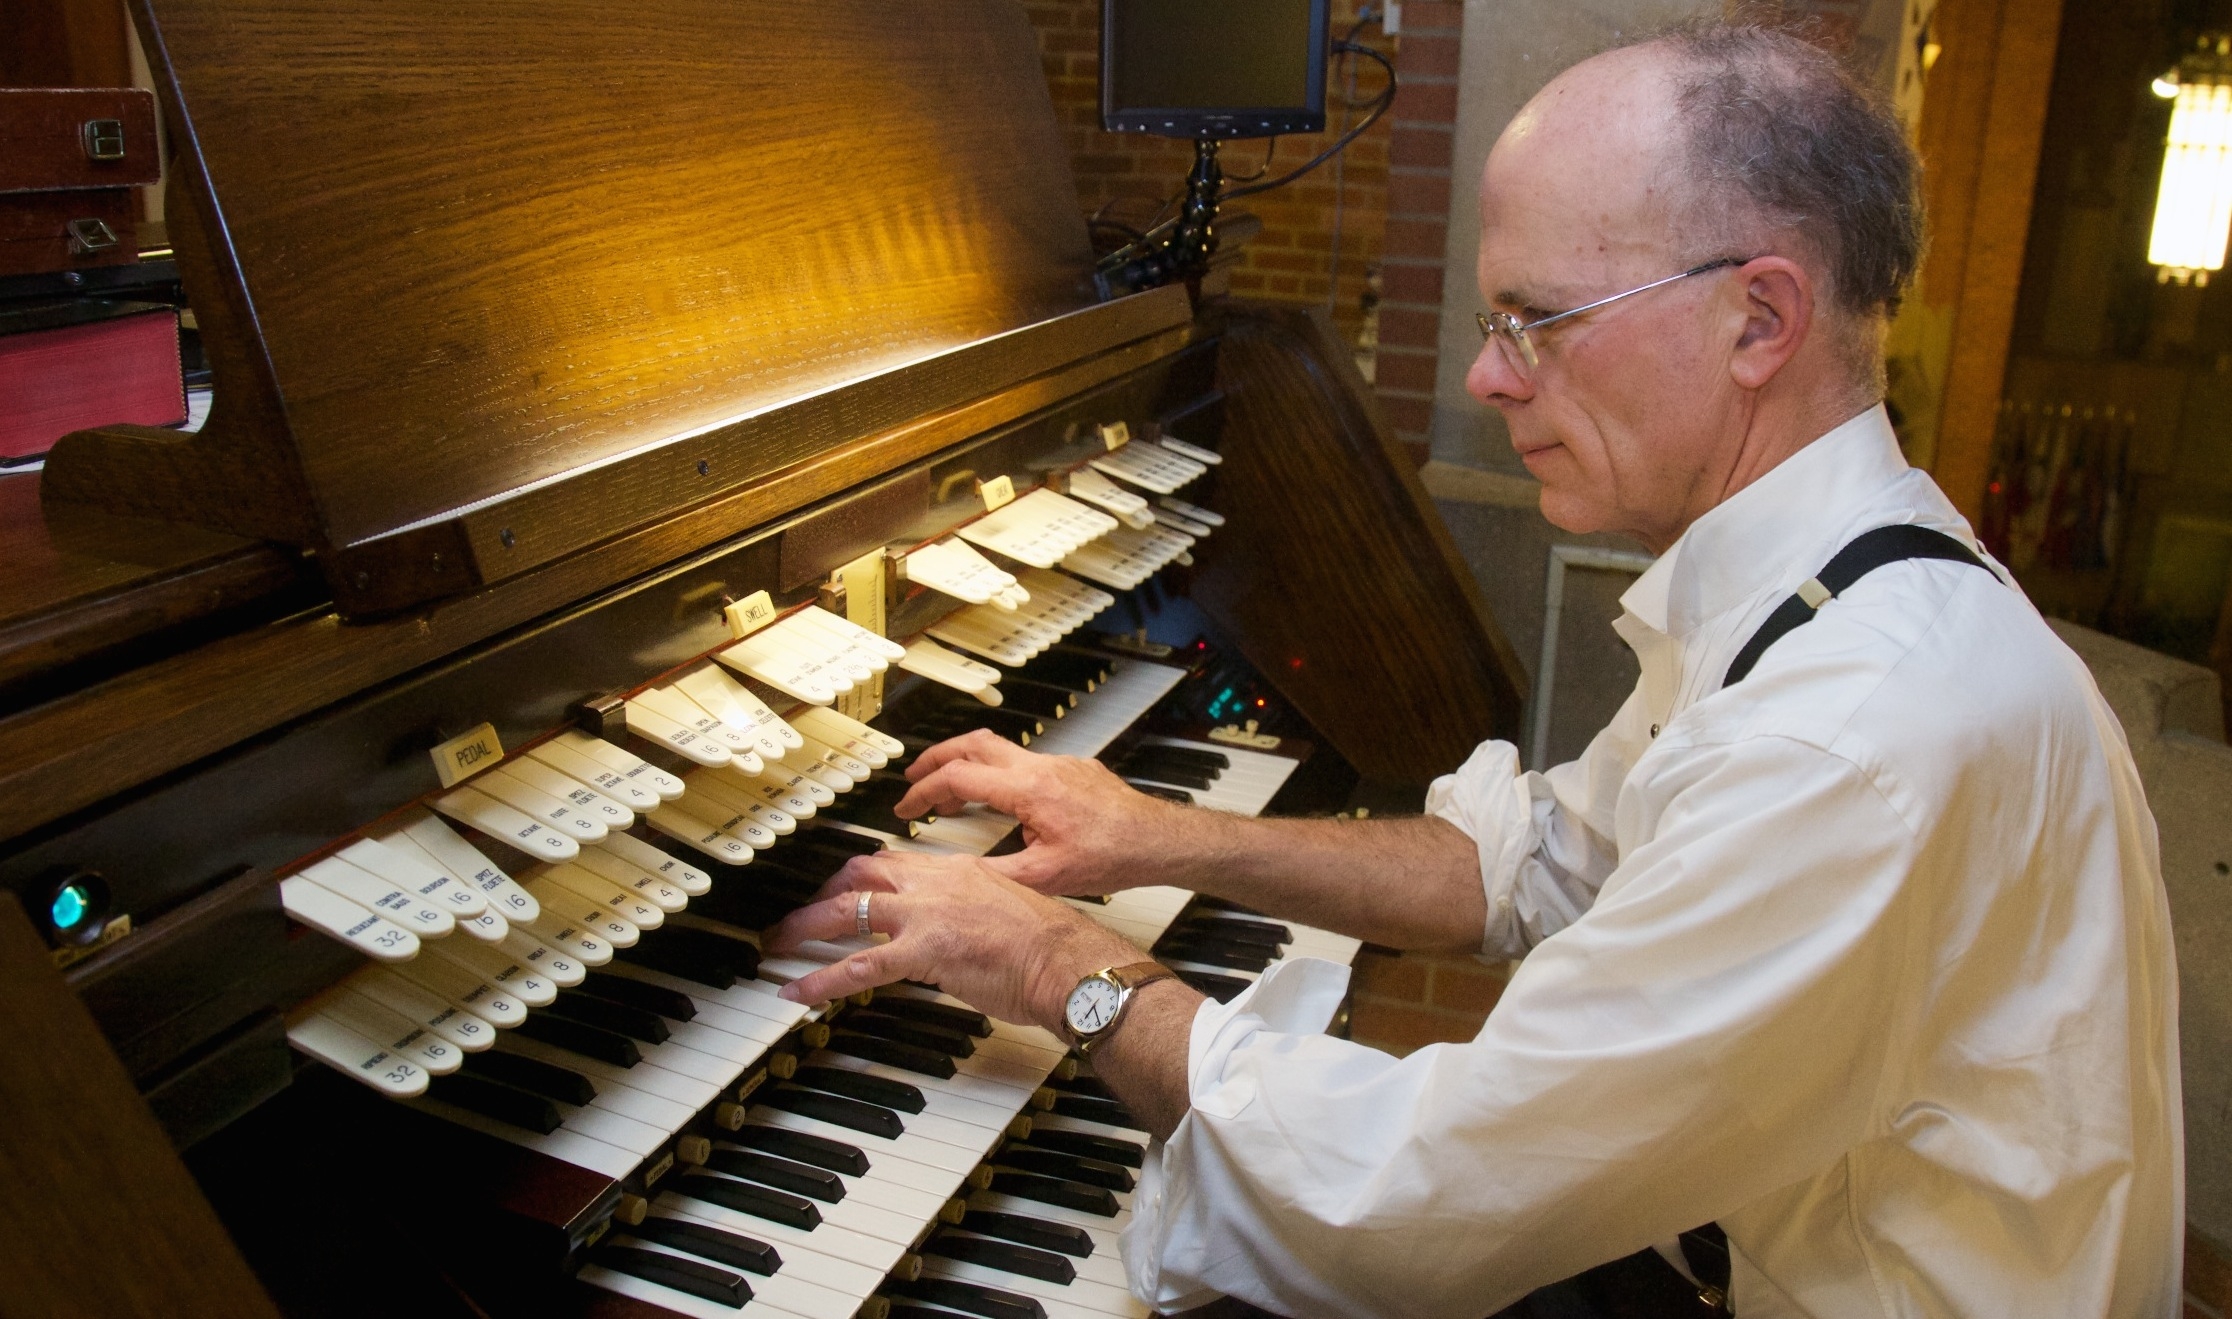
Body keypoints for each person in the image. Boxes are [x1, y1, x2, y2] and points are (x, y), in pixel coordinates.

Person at [768, 20, 2182, 1318]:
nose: (1490, 379)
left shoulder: (1851, 733)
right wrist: (1162, 835)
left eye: (1536, 321)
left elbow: (1409, 1198)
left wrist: (1059, 962)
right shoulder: (1832, 581)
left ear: (1760, 320)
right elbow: (1544, 864)